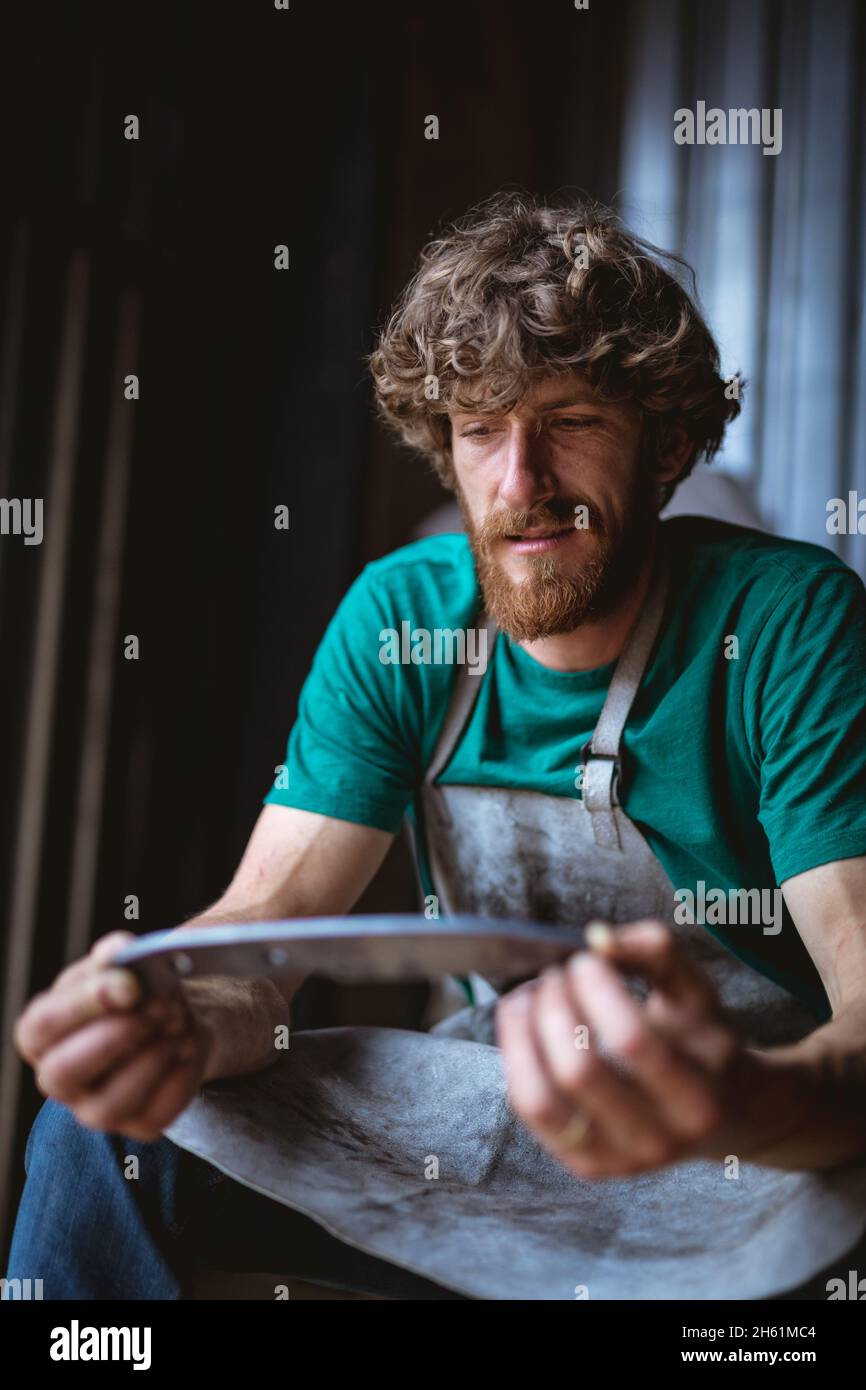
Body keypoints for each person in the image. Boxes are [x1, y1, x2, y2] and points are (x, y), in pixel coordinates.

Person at [6, 192, 866, 1300]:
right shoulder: (398, 618)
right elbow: (259, 940)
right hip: (487, 1117)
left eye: (569, 421)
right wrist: (170, 1011)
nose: (521, 482)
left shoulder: (787, 622)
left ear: (667, 442)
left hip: (753, 1152)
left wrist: (748, 1101)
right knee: (106, 1130)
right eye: (479, 428)